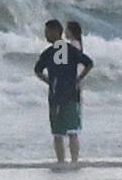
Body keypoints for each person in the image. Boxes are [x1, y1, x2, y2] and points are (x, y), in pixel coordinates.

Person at [34, 20, 94, 166]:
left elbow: (37, 70)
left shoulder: (48, 52)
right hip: (72, 93)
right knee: (73, 131)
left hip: (56, 94)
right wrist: (78, 79)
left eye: (47, 31)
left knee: (58, 133)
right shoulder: (70, 49)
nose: (46, 35)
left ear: (55, 32)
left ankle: (61, 162)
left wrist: (50, 81)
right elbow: (89, 63)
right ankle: (74, 161)